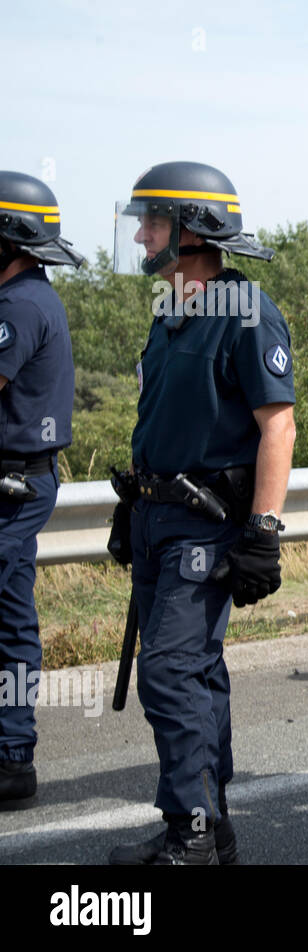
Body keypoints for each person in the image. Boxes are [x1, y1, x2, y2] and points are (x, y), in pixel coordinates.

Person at [106, 161, 295, 864]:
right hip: (159, 518)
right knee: (198, 671)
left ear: (191, 231)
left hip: (206, 521)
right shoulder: (170, 312)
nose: (140, 237)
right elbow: (160, 417)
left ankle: (187, 833)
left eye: (151, 223)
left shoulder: (246, 310)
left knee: (169, 673)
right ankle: (210, 826)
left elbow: (279, 424)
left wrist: (264, 531)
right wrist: (136, 504)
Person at [0, 171, 84, 809]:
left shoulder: (21, 305)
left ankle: (11, 755)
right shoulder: (27, 297)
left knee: (7, 620)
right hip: (21, 479)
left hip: (12, 485)